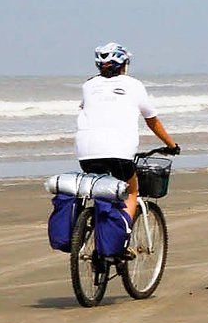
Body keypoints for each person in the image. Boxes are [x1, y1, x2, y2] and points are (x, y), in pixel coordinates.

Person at [75, 43, 179, 220]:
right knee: (131, 191)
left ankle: (88, 229)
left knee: (98, 190)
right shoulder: (134, 85)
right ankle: (122, 234)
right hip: (119, 152)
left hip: (85, 152)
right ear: (124, 64)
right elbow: (152, 120)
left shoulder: (89, 85)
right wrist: (171, 145)